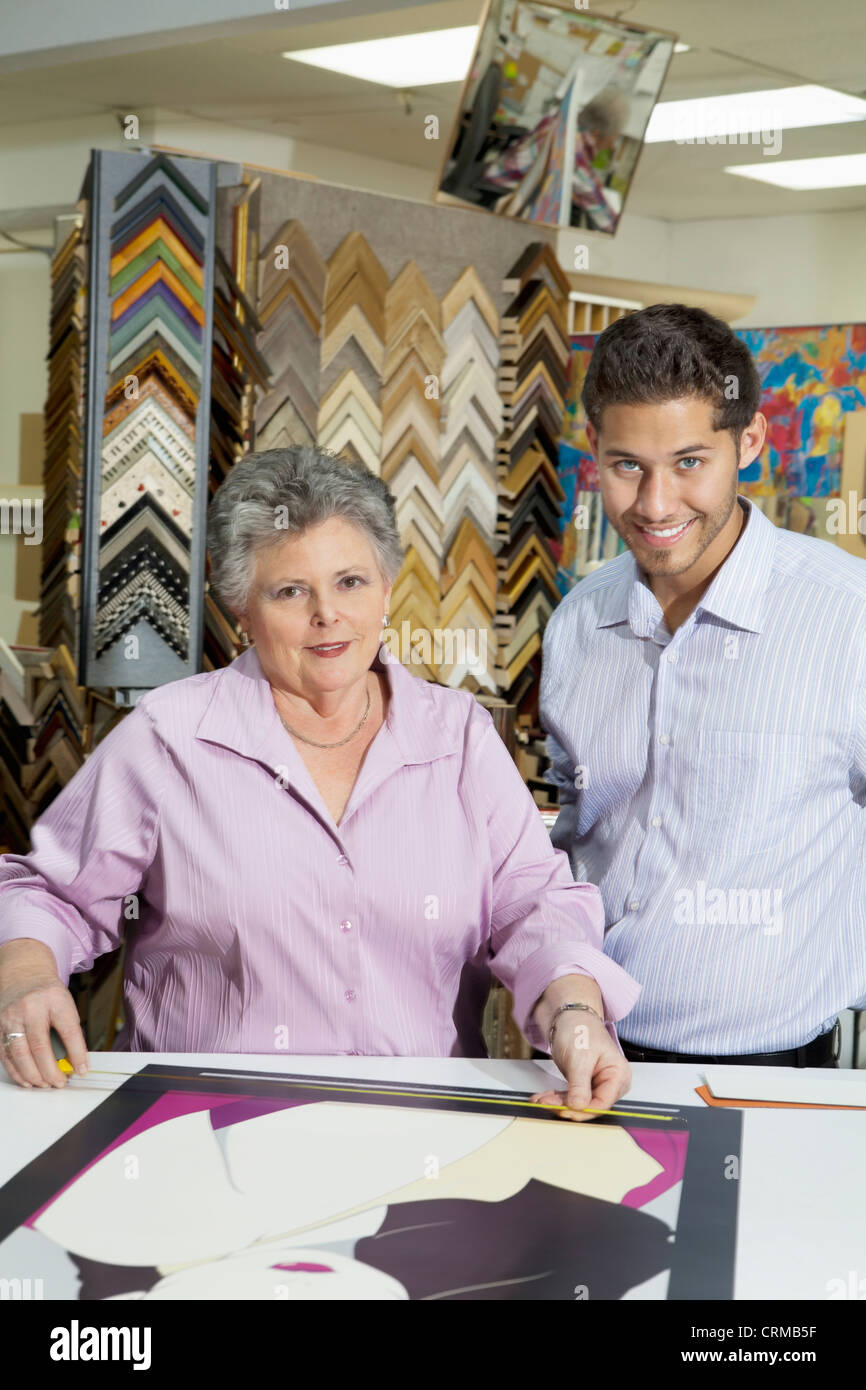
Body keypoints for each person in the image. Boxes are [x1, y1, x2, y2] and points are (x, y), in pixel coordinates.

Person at [0, 446, 639, 1116]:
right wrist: (24, 973)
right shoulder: (168, 737)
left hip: (418, 1129)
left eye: (350, 582)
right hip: (198, 1126)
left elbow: (534, 907)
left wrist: (576, 1008)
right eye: (289, 592)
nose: (327, 615)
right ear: (241, 611)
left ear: (388, 589)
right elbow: (50, 893)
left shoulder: (460, 738)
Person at [541, 303, 866, 1067]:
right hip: (590, 1054)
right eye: (628, 467)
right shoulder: (577, 622)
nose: (655, 506)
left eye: (690, 463)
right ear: (595, 449)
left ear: (748, 443)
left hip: (776, 1071)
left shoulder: (848, 618)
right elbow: (569, 844)